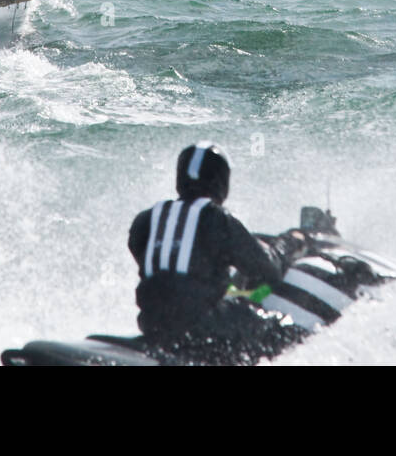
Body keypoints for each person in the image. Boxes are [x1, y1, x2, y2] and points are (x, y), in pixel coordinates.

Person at [127, 143, 307, 364]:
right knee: (286, 331)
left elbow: (154, 263)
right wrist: (291, 241)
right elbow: (268, 268)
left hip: (151, 323)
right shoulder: (218, 219)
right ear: (221, 181)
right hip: (204, 324)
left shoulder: (146, 220)